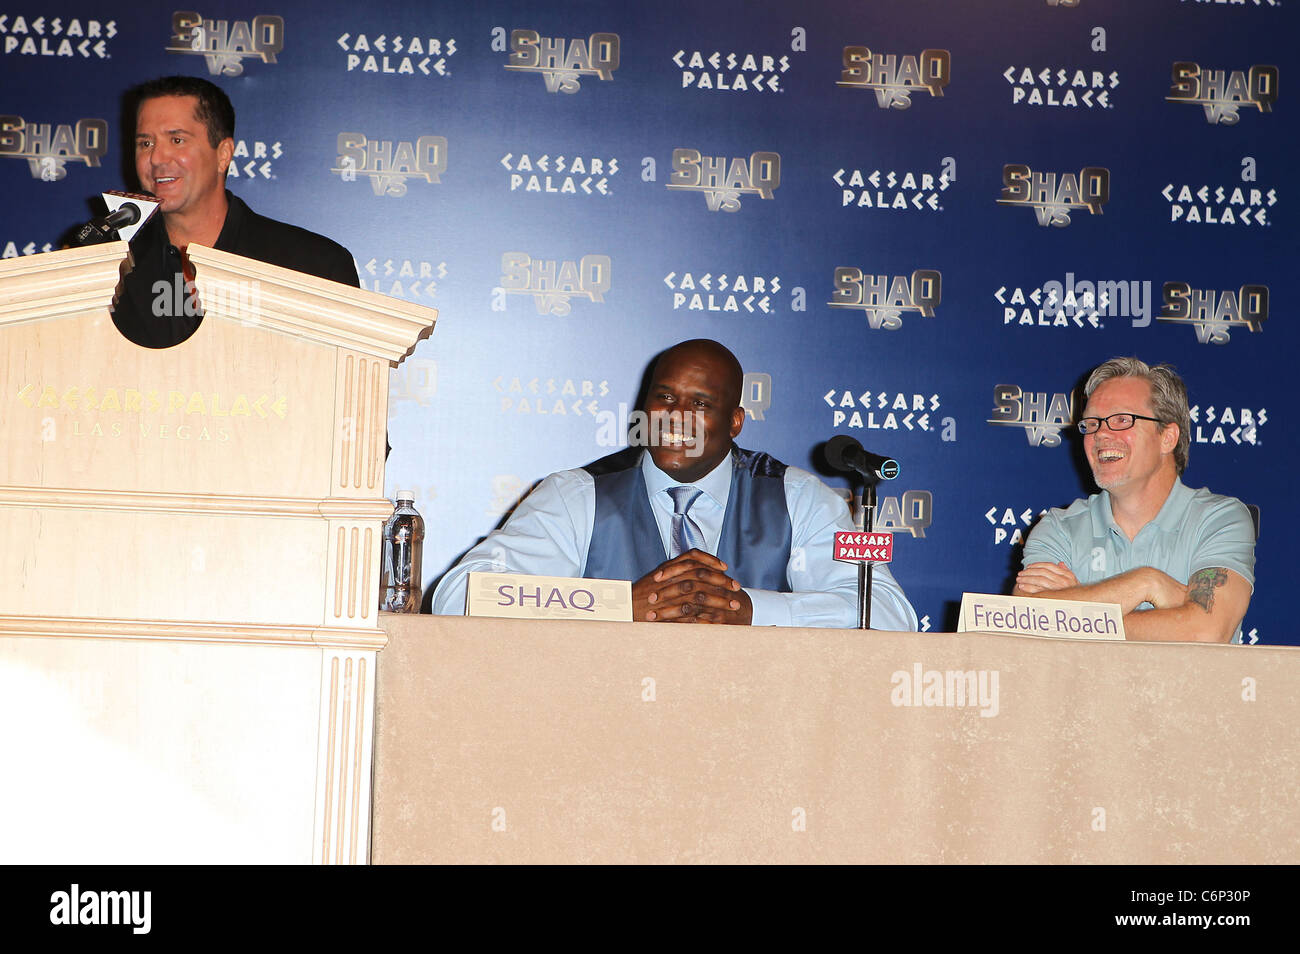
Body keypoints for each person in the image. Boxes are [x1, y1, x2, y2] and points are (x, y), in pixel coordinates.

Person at [432, 339, 918, 629]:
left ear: (736, 422)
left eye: (701, 404)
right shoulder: (577, 494)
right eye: (664, 397)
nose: (675, 418)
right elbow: (460, 597)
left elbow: (889, 614)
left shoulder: (798, 497)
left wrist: (748, 609)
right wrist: (616, 607)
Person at [1014, 357, 1255, 642]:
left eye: (1121, 420)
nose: (1101, 434)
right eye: (1091, 424)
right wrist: (1146, 582)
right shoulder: (1060, 528)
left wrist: (1075, 613)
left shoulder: (1219, 520)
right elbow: (1023, 621)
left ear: (1168, 437)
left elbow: (1206, 630)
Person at [110, 76, 358, 348]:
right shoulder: (109, 265)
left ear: (223, 154)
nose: (157, 158)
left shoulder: (313, 266)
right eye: (146, 144)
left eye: (177, 140)